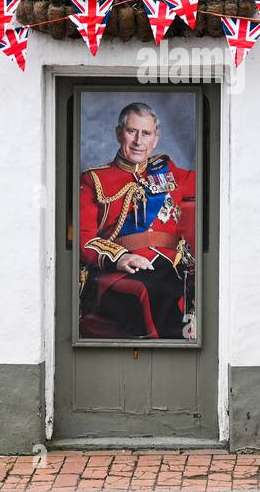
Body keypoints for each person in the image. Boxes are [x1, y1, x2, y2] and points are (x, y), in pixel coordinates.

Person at [78, 102, 196, 339]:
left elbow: (218, 184)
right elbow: (83, 237)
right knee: (152, 289)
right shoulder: (95, 180)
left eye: (146, 133)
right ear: (119, 133)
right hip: (121, 269)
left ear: (155, 139)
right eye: (132, 131)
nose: (138, 141)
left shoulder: (170, 173)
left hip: (171, 266)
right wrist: (120, 257)